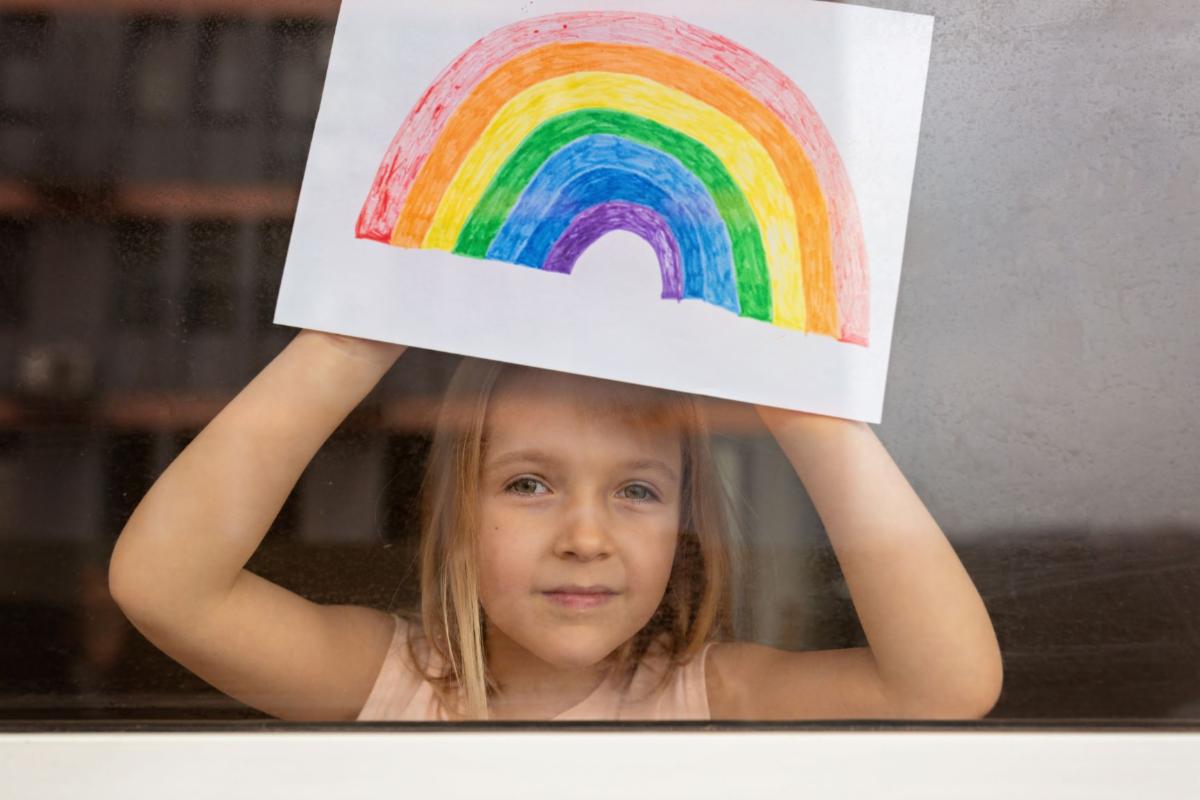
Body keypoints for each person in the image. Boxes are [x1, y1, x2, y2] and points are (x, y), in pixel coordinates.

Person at [108, 328, 1003, 721]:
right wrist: (352, 339)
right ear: (456, 520)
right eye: (530, 484)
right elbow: (166, 589)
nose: (586, 535)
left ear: (685, 532)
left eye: (638, 492)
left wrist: (813, 415)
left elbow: (946, 686)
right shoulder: (393, 684)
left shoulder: (712, 695)